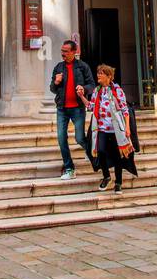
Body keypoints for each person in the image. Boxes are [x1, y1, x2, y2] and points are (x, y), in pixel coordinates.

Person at [85, 64, 138, 194]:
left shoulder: (117, 90)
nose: (98, 75)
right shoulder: (97, 91)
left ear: (109, 76)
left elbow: (125, 110)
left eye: (101, 73)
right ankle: (106, 176)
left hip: (116, 130)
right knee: (101, 151)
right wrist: (81, 96)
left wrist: (127, 128)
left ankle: (118, 182)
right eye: (98, 73)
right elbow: (91, 107)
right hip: (101, 128)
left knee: (117, 156)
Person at [49, 40, 95, 180]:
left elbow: (92, 85)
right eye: (62, 51)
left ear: (74, 52)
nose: (63, 54)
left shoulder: (82, 67)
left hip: (77, 108)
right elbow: (52, 88)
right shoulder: (58, 67)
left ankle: (92, 152)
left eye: (66, 51)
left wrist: (84, 89)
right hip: (62, 109)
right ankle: (69, 168)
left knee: (80, 138)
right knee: (61, 138)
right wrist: (56, 82)